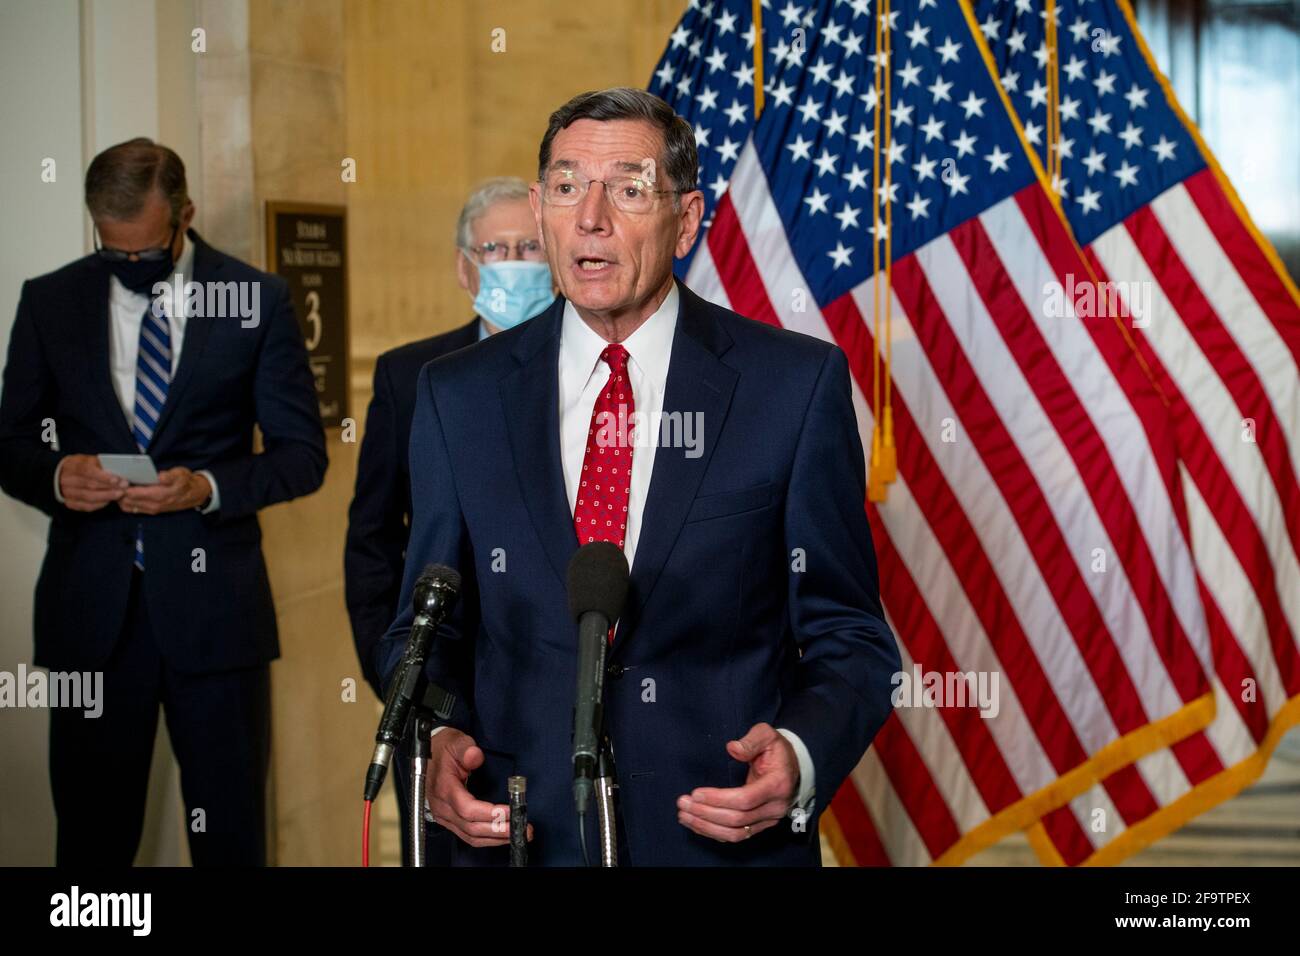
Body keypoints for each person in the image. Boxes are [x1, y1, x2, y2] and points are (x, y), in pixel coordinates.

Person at [376, 88, 900, 865]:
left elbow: (850, 635)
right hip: (518, 836)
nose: (591, 219)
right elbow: (426, 631)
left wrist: (799, 750)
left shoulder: (792, 386)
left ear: (685, 221)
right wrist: (437, 736)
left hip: (718, 836)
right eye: (565, 187)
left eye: (627, 189)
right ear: (539, 205)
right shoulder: (458, 396)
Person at [0, 138, 327, 865]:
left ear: (185, 217)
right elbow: (11, 443)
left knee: (230, 835)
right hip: (91, 618)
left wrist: (207, 487)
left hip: (218, 621)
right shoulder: (49, 300)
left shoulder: (258, 300)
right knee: (91, 839)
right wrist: (59, 477)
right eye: (112, 255)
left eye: (145, 256)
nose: (130, 271)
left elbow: (303, 458)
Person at [345, 176, 553, 864]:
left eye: (530, 245)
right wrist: (403, 680)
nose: (515, 260)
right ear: (466, 267)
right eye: (497, 247)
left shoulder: (602, 367)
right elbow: (373, 540)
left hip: (555, 682)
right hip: (450, 697)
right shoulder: (413, 376)